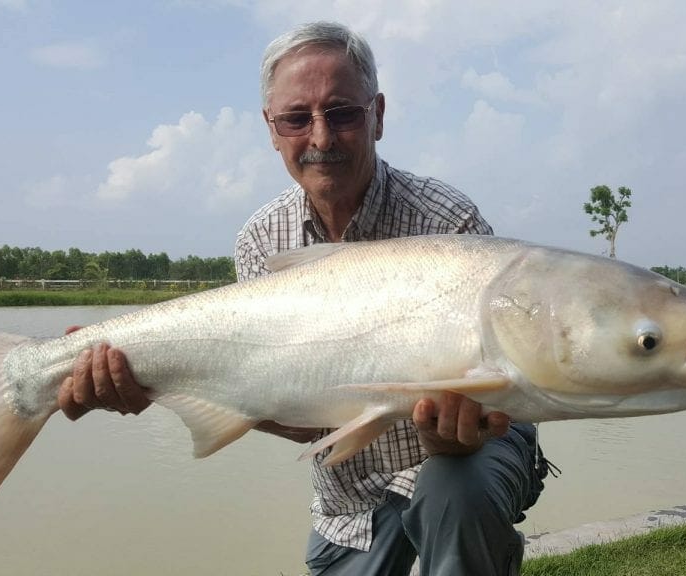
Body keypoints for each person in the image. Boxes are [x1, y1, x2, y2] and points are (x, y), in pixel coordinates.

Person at [58, 21, 546, 576]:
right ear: (272, 128)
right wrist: (154, 382)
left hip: (468, 455)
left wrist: (457, 431)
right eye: (297, 118)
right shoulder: (262, 241)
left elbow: (505, 381)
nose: (320, 138)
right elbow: (285, 407)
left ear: (377, 115)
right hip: (349, 488)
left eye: (341, 113)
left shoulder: (446, 221)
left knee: (454, 491)